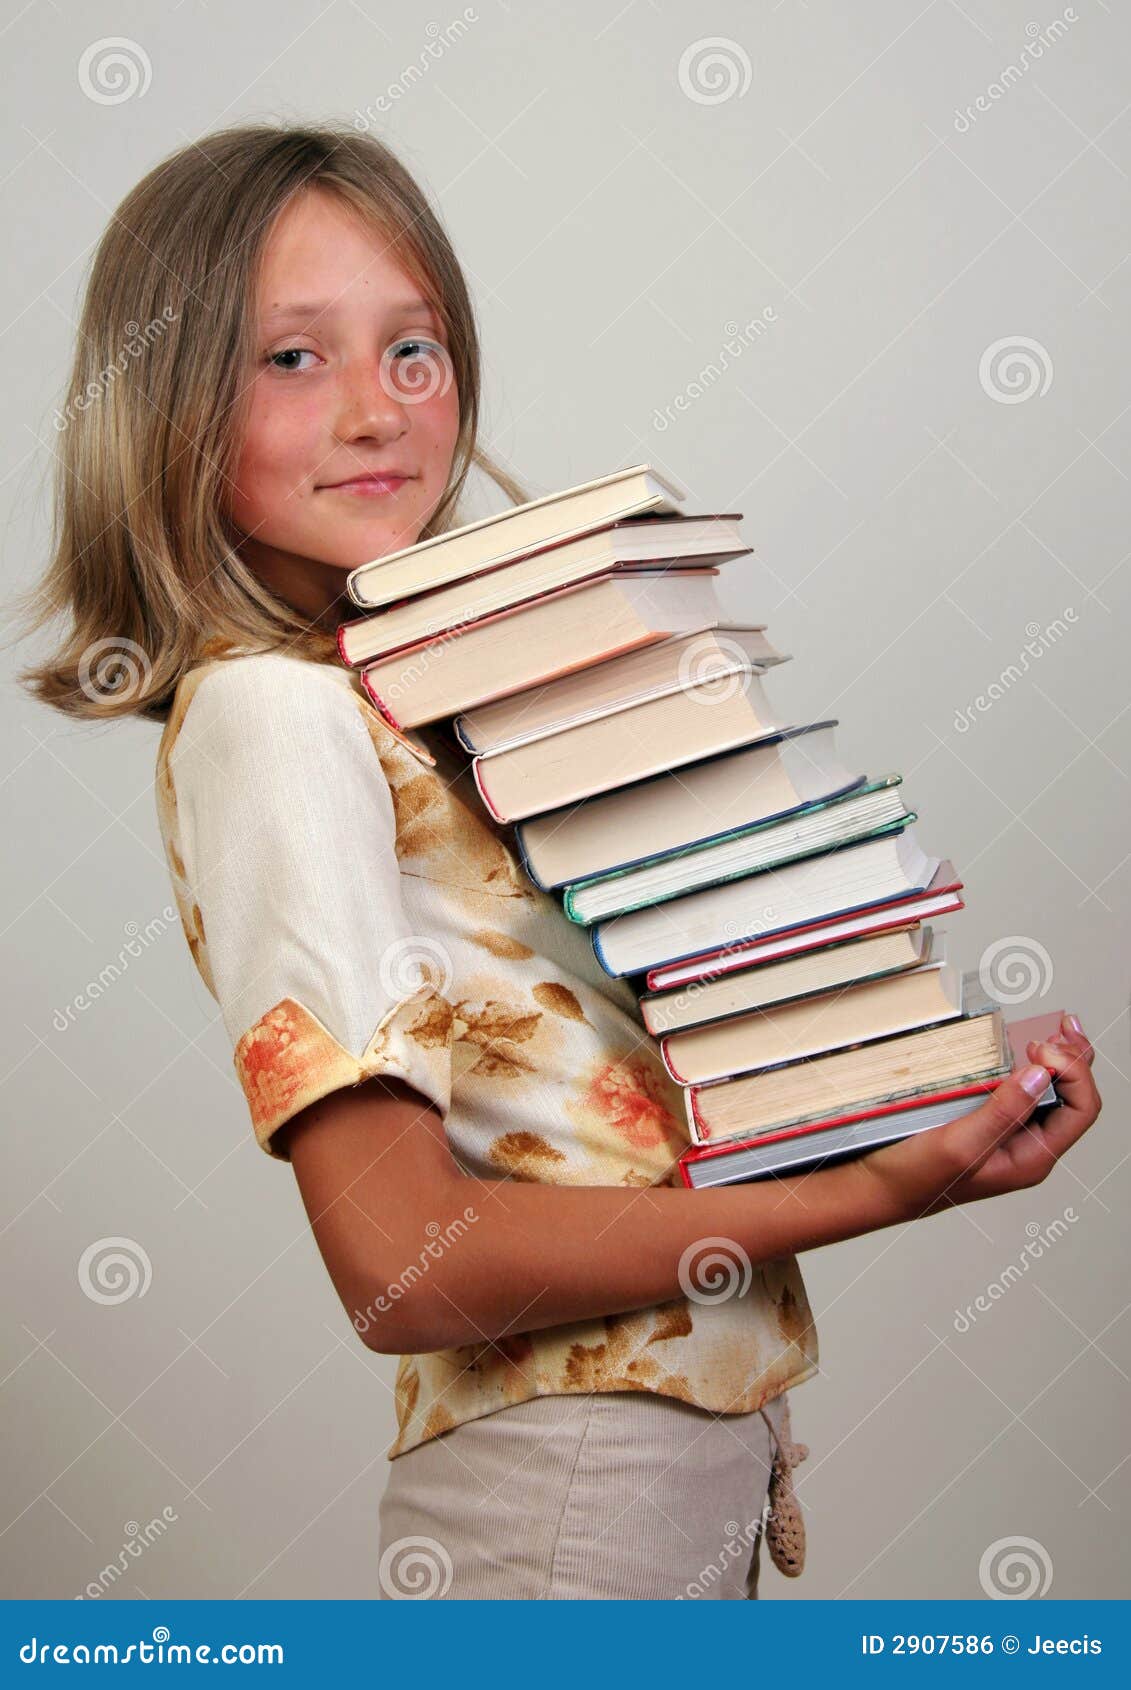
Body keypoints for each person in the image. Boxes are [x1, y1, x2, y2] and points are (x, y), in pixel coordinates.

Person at [14, 121, 1102, 1602]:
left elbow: (595, 1130)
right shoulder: (270, 717)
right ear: (164, 402)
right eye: (291, 357)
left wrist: (922, 1102)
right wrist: (873, 1195)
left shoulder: (415, 712)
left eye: (415, 347)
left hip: (652, 1475)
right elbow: (402, 1262)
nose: (376, 410)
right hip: (568, 1500)